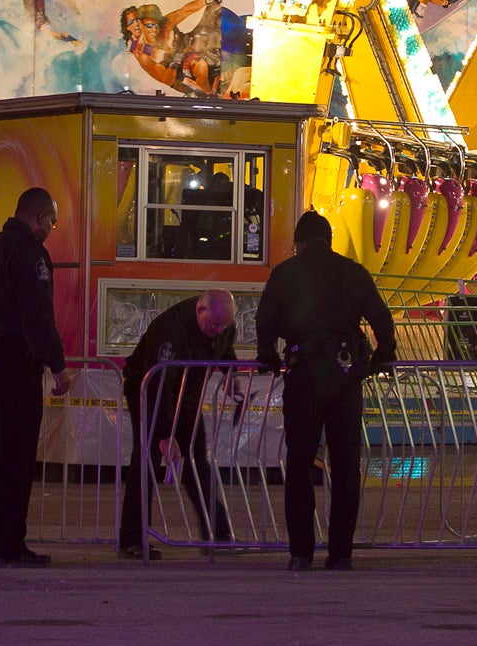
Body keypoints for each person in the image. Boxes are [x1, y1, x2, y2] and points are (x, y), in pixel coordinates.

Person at [255, 211, 396, 571]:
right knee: (346, 466)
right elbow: (381, 317)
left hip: (303, 376)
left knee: (301, 465)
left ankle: (301, 553)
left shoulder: (285, 273)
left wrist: (267, 356)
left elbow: (265, 320)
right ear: (329, 240)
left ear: (299, 243)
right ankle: (341, 554)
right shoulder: (352, 271)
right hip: (344, 375)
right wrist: (383, 356)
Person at [0, 187, 71, 568]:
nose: (51, 229)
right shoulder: (31, 255)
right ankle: (11, 546)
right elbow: (38, 316)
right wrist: (57, 366)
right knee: (17, 453)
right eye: (53, 222)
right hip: (14, 359)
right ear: (40, 217)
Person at [117, 289, 238, 558]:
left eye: (224, 325)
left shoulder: (224, 325)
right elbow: (159, 383)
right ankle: (132, 538)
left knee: (197, 462)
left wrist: (231, 373)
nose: (218, 330)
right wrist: (163, 433)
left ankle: (217, 534)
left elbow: (224, 348)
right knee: (147, 458)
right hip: (148, 389)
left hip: (187, 392)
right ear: (200, 310)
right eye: (214, 324)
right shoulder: (170, 330)